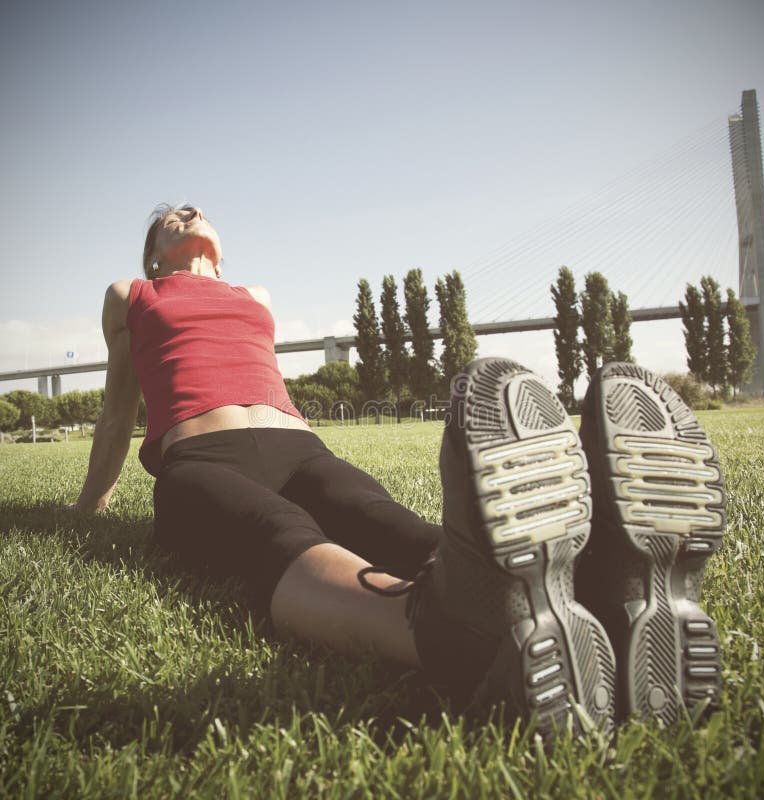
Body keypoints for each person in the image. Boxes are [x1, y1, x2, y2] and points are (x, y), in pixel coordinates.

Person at [73, 204, 726, 738]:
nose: (185, 213)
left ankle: (590, 601)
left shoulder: (255, 296)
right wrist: (91, 507)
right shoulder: (131, 294)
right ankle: (441, 633)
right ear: (152, 255)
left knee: (383, 519)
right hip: (200, 459)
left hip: (298, 445)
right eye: (168, 217)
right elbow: (117, 410)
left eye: (196, 209)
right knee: (280, 529)